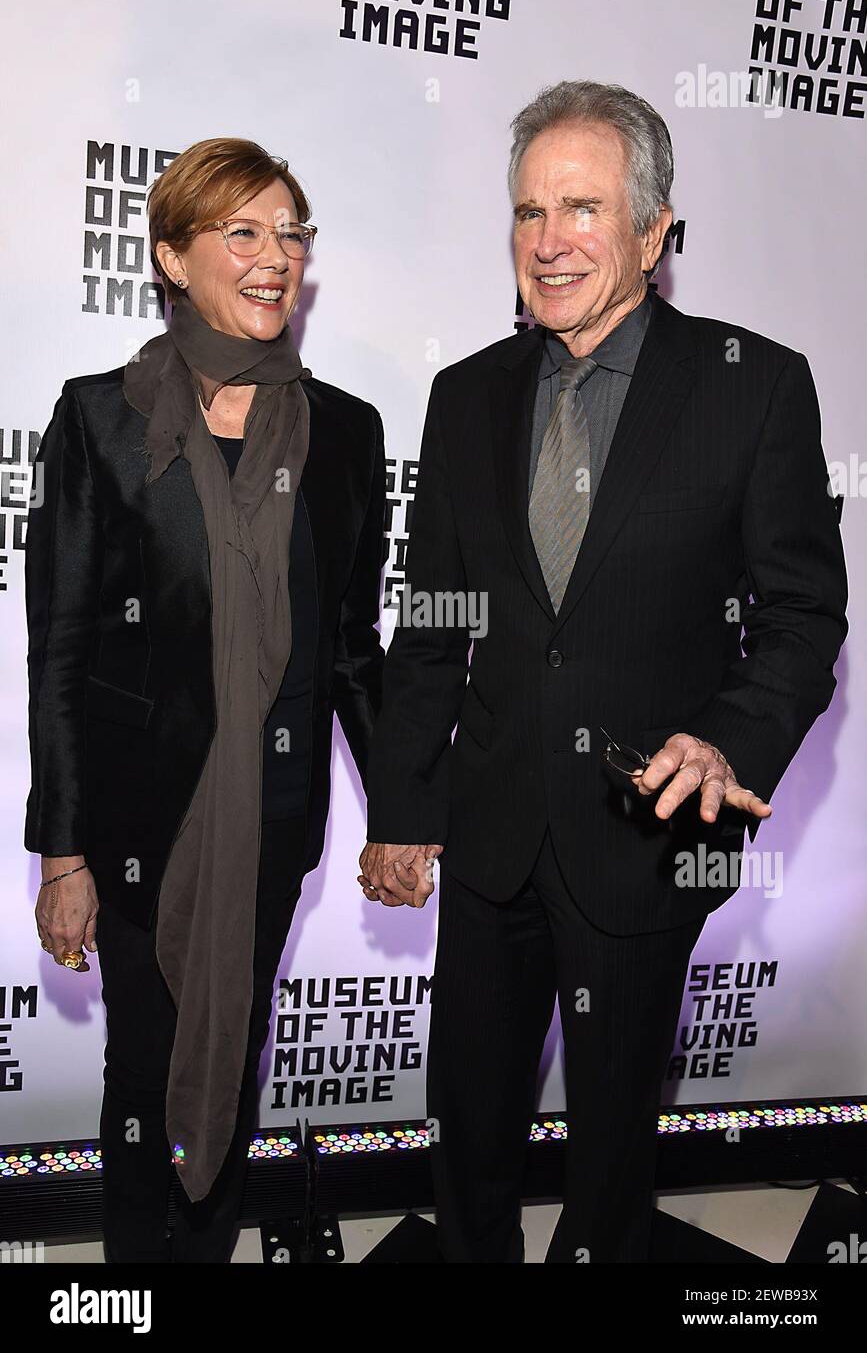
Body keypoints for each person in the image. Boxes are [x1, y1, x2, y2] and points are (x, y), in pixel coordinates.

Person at [359, 80, 848, 1262]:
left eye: (581, 208)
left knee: (612, 1146)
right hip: (489, 835)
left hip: (645, 830)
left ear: (653, 229)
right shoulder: (466, 393)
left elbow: (802, 616)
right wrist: (402, 808)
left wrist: (728, 740)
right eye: (529, 212)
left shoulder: (754, 383)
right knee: (467, 1124)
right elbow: (436, 620)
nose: (548, 240)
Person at [25, 137, 386, 1262]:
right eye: (244, 231)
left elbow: (349, 650)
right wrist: (64, 852)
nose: (277, 256)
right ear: (173, 257)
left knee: (235, 1055)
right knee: (143, 1069)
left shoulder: (347, 431)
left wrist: (412, 803)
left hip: (273, 817)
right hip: (140, 817)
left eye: (291, 232)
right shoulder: (100, 419)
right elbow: (63, 649)